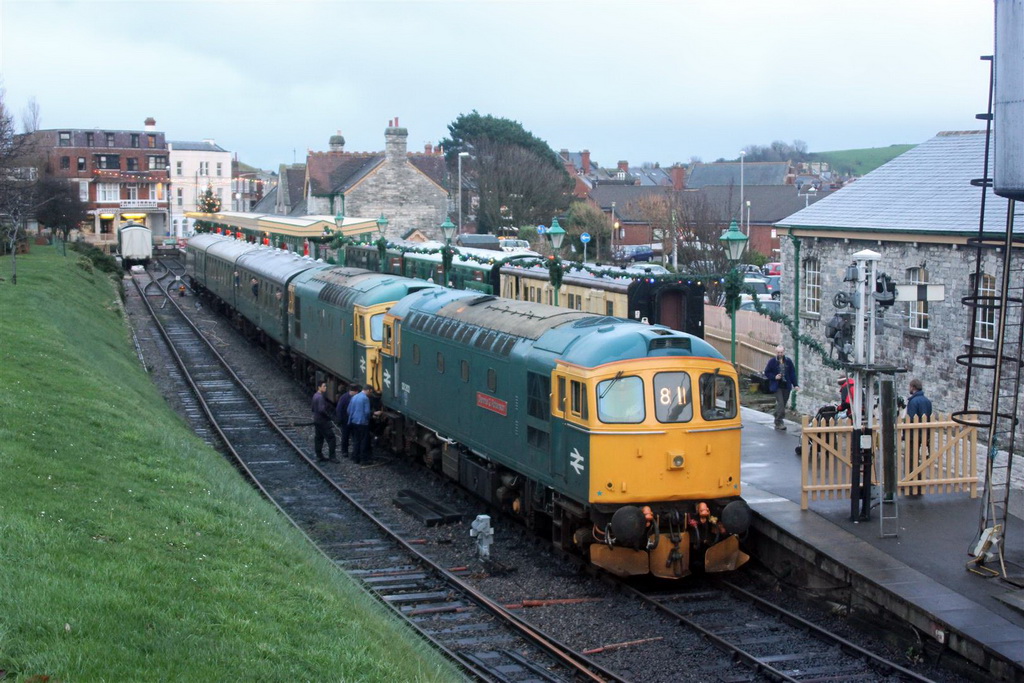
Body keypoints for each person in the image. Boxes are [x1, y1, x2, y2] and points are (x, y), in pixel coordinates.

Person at [763, 345, 798, 430]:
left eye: (781, 352)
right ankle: (779, 422)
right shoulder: (772, 362)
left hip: (786, 386)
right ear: (776, 352)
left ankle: (776, 414)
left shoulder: (788, 361)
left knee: (783, 404)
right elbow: (767, 372)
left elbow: (792, 373)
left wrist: (795, 384)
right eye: (778, 352)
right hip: (777, 386)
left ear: (784, 352)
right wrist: (774, 377)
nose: (780, 354)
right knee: (781, 404)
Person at [311, 381, 337, 462]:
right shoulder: (321, 397)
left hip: (316, 420)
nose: (325, 387)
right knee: (331, 438)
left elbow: (312, 408)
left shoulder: (315, 396)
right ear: (319, 387)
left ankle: (319, 456)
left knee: (318, 438)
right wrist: (328, 417)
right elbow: (322, 410)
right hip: (323, 422)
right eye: (324, 386)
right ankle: (332, 457)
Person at [348, 384, 372, 465]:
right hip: (362, 422)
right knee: (363, 441)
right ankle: (363, 460)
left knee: (356, 440)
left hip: (354, 421)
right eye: (370, 392)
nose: (370, 393)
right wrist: (368, 418)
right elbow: (367, 412)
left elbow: (349, 410)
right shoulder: (365, 399)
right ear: (368, 390)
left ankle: (355, 458)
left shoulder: (354, 397)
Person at [334, 384, 358, 459]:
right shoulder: (344, 398)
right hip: (346, 421)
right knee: (345, 436)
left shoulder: (345, 397)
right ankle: (345, 451)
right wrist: (340, 420)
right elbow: (339, 409)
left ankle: (353, 452)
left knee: (352, 437)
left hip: (352, 421)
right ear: (354, 391)